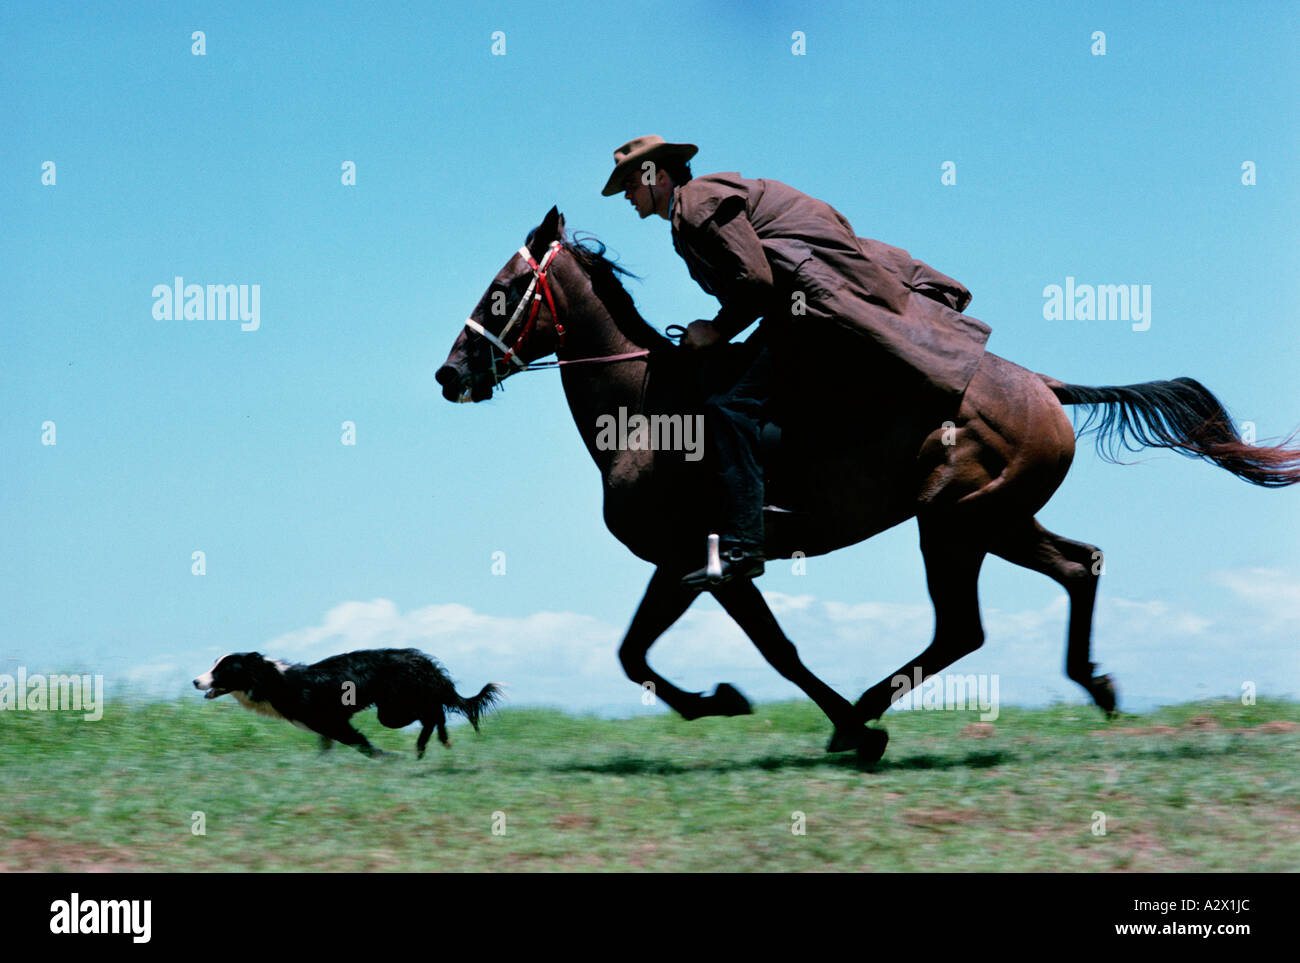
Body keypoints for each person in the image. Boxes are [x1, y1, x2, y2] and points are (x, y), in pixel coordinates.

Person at [602, 135, 992, 587]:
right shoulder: (690, 209)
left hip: (812, 307)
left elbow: (756, 281)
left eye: (631, 185)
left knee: (730, 404)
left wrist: (716, 329)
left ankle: (744, 545)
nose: (627, 197)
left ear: (658, 176)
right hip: (801, 303)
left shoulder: (696, 203)